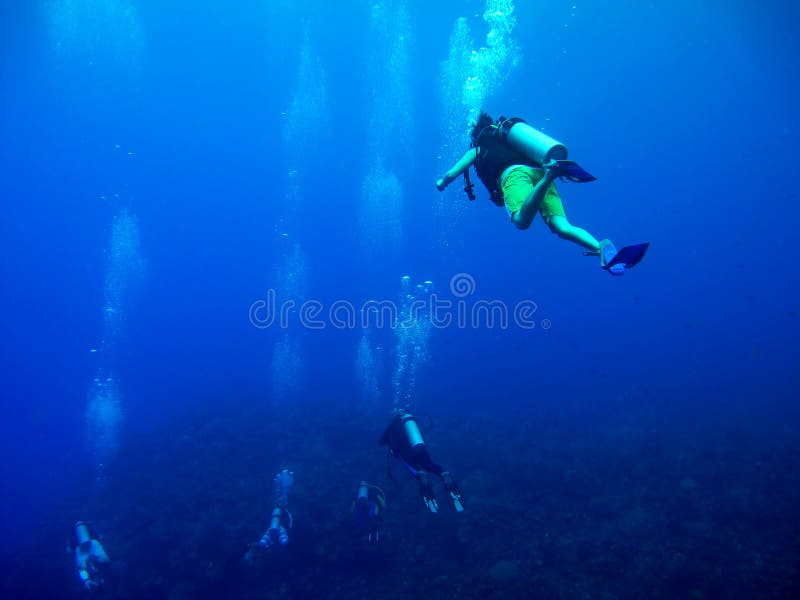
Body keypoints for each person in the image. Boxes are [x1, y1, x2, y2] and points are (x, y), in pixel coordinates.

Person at [435, 112, 623, 272]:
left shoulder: (478, 148)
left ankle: (550, 177)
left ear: (475, 135)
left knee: (521, 221)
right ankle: (600, 247)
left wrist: (442, 182)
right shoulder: (511, 140)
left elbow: (452, 173)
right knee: (562, 227)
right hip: (540, 171)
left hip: (515, 176)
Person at [379, 408, 464, 513]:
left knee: (416, 470)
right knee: (430, 464)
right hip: (420, 447)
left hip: (407, 452)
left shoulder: (392, 425)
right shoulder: (411, 421)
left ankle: (422, 477)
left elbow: (382, 441)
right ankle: (444, 474)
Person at [245, 469, 294, 563]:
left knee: (263, 543)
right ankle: (252, 548)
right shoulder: (284, 512)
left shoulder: (275, 513)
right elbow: (289, 521)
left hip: (271, 529)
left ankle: (250, 547)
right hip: (279, 529)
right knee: (283, 541)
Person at [72, 521, 110, 590]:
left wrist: (95, 558)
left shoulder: (94, 543)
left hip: (99, 569)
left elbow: (105, 559)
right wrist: (86, 580)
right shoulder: (78, 550)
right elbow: (81, 568)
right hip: (91, 573)